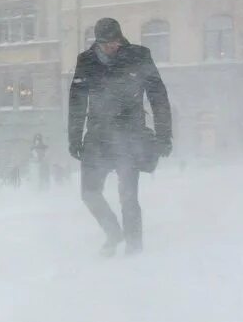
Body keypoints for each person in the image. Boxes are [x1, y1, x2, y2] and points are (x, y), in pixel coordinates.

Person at [68, 18, 172, 257]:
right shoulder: (86, 61)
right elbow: (77, 102)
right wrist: (74, 138)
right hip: (97, 137)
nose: (111, 47)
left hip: (130, 137)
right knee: (89, 193)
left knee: (128, 196)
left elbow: (158, 97)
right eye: (105, 43)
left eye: (115, 41)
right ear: (97, 42)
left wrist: (164, 135)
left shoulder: (139, 56)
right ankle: (113, 232)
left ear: (121, 38)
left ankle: (134, 247)